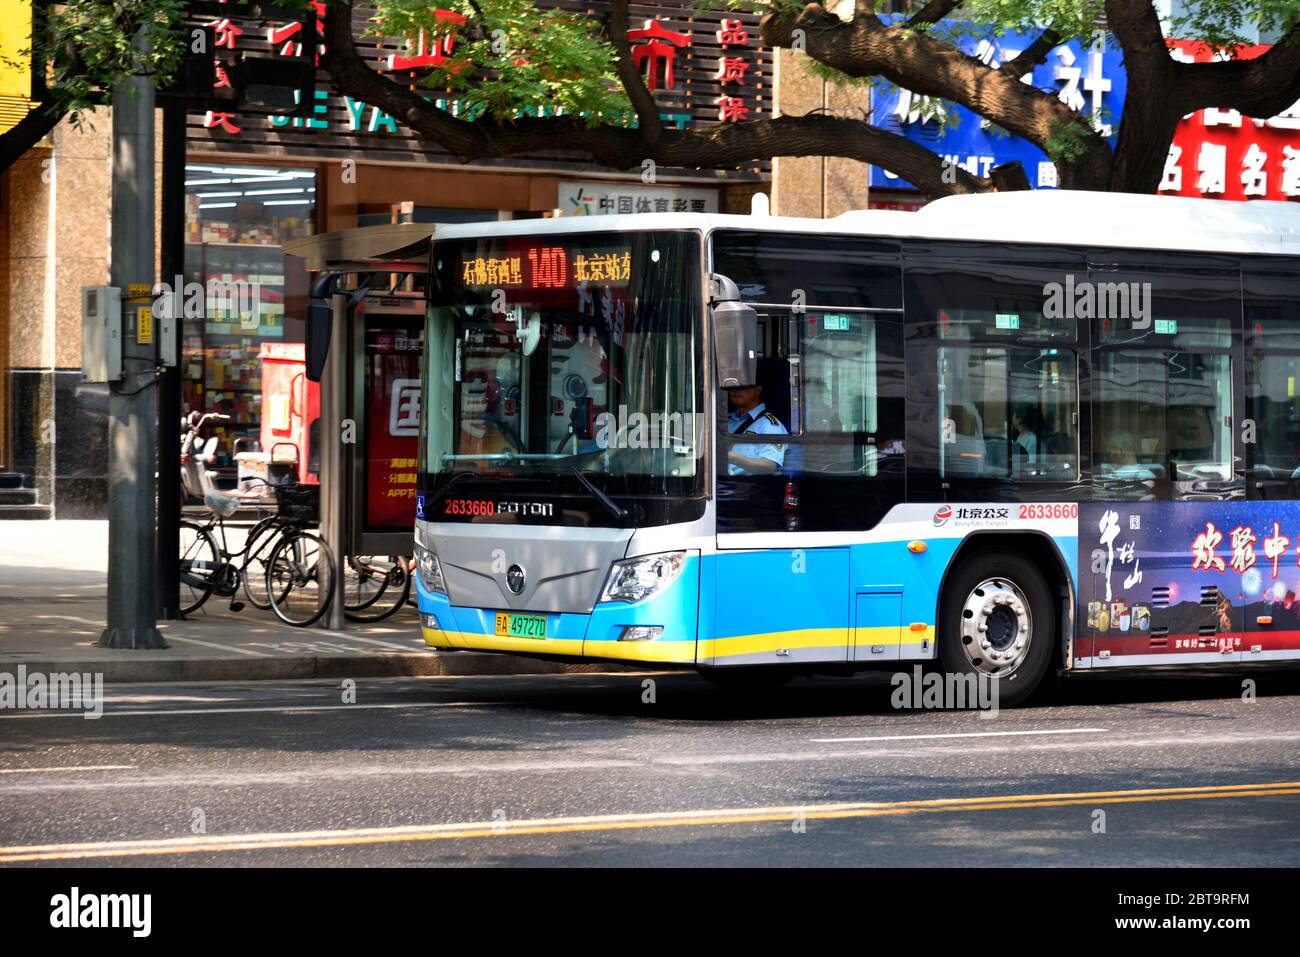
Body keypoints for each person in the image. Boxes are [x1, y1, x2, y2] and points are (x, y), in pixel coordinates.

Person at [726, 383, 788, 475]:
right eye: (732, 386)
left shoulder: (769, 425)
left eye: (743, 385)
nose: (736, 390)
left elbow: (770, 466)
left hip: (746, 486)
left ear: (758, 390)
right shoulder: (724, 420)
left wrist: (732, 458)